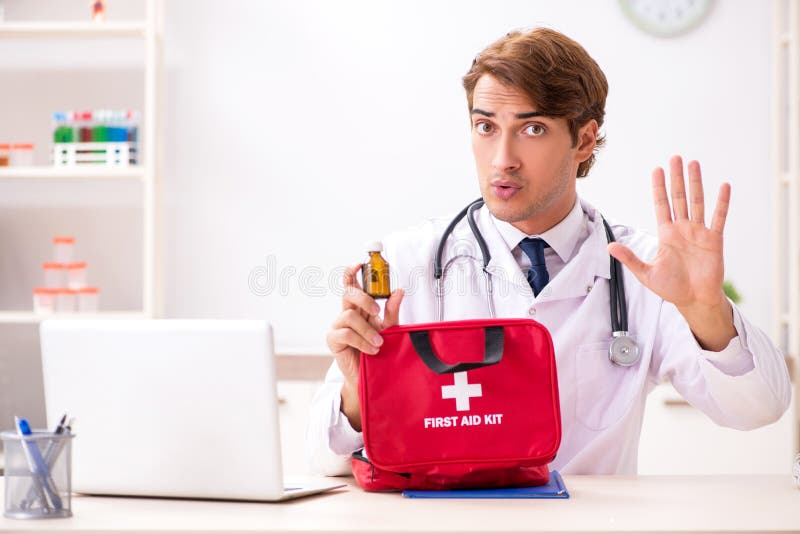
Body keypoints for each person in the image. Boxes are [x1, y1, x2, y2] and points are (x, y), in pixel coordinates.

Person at [306, 27, 791, 475]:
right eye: (486, 127)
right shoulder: (407, 263)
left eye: (532, 128)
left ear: (583, 139)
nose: (503, 159)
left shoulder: (645, 270)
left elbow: (760, 408)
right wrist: (358, 390)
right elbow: (321, 459)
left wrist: (704, 310)